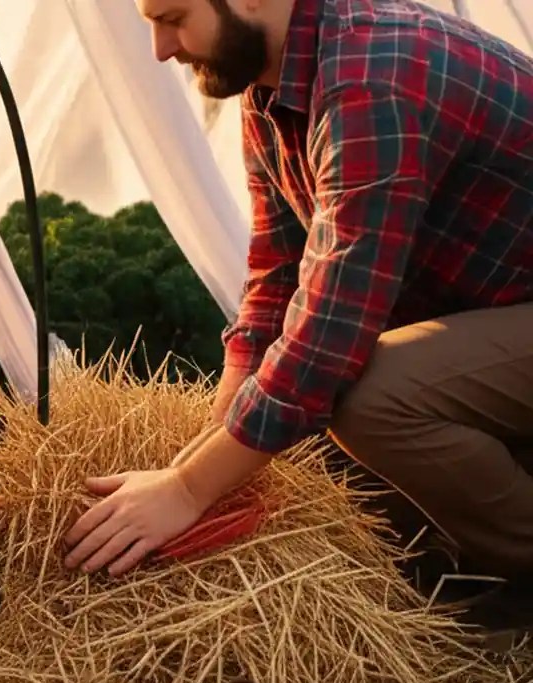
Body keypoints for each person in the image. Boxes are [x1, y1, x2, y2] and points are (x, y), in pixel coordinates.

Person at [62, 0, 533, 606]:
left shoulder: (372, 79)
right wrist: (214, 436)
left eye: (173, 17)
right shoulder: (274, 82)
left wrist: (186, 489)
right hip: (505, 318)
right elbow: (278, 269)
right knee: (285, 443)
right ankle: (463, 559)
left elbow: (327, 339)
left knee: (371, 399)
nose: (162, 49)